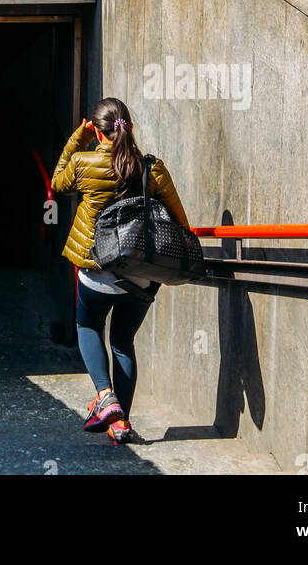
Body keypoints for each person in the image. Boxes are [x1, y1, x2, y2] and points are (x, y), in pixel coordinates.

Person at [51, 96, 192, 445]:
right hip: (141, 275)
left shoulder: (84, 163)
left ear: (99, 134)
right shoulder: (150, 168)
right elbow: (180, 220)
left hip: (97, 270)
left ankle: (104, 396)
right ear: (129, 126)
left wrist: (76, 139)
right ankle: (121, 424)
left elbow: (57, 183)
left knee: (88, 325)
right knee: (124, 342)